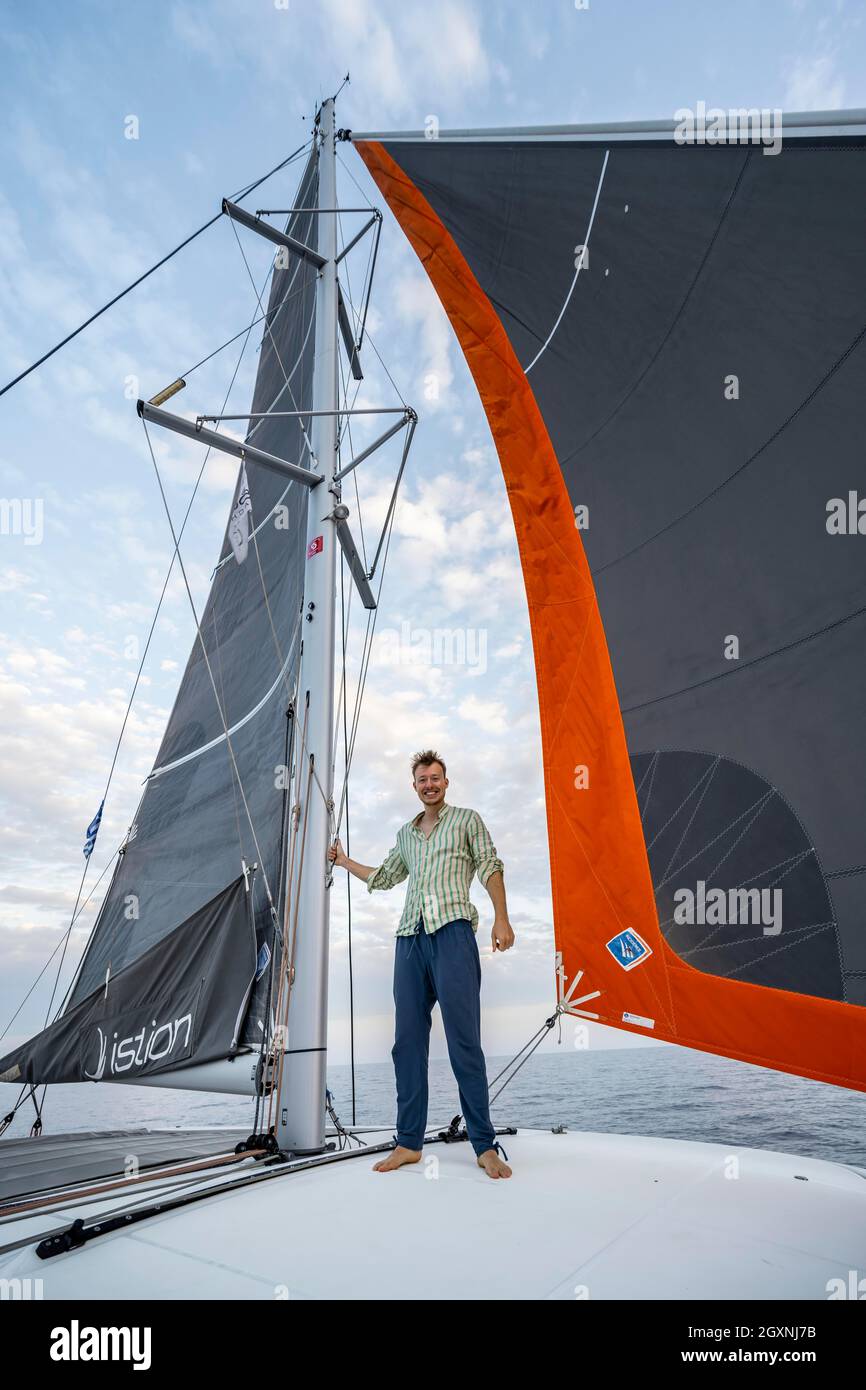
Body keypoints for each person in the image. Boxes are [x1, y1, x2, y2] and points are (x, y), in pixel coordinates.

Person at [328, 749, 515, 1180]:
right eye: (422, 780)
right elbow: (385, 877)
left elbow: (490, 865)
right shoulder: (406, 835)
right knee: (406, 1043)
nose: (429, 784)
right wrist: (341, 860)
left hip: (452, 934)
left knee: (463, 1041)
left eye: (436, 778)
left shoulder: (467, 820)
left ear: (446, 783)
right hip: (409, 941)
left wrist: (501, 917)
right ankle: (408, 1143)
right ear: (414, 787)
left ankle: (484, 1146)